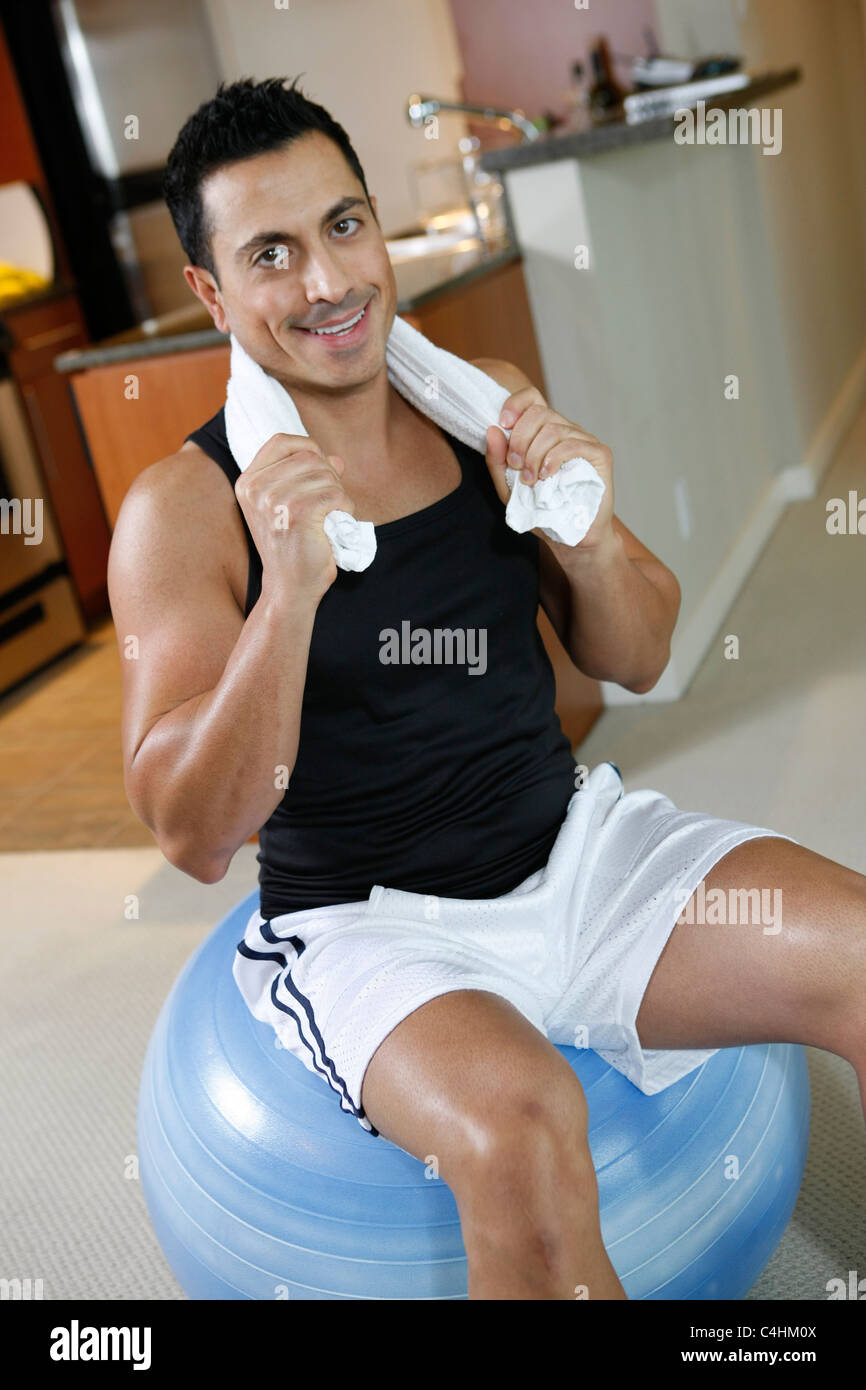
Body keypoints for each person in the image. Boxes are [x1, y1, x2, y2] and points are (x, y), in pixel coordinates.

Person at [108, 76, 866, 1301]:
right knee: (521, 1133)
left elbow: (638, 655)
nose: (326, 284)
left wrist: (587, 532)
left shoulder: (480, 400)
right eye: (270, 255)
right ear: (210, 291)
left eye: (343, 226)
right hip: (366, 924)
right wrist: (288, 595)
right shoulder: (184, 513)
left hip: (574, 853)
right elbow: (194, 834)